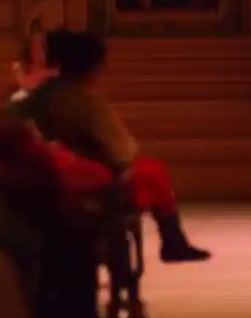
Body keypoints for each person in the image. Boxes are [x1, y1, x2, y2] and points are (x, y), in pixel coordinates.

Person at [18, 31, 210, 263]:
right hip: (88, 175)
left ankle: (174, 241)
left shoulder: (39, 95)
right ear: (93, 66)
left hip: (49, 168)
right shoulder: (85, 101)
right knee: (154, 172)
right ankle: (173, 241)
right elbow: (121, 149)